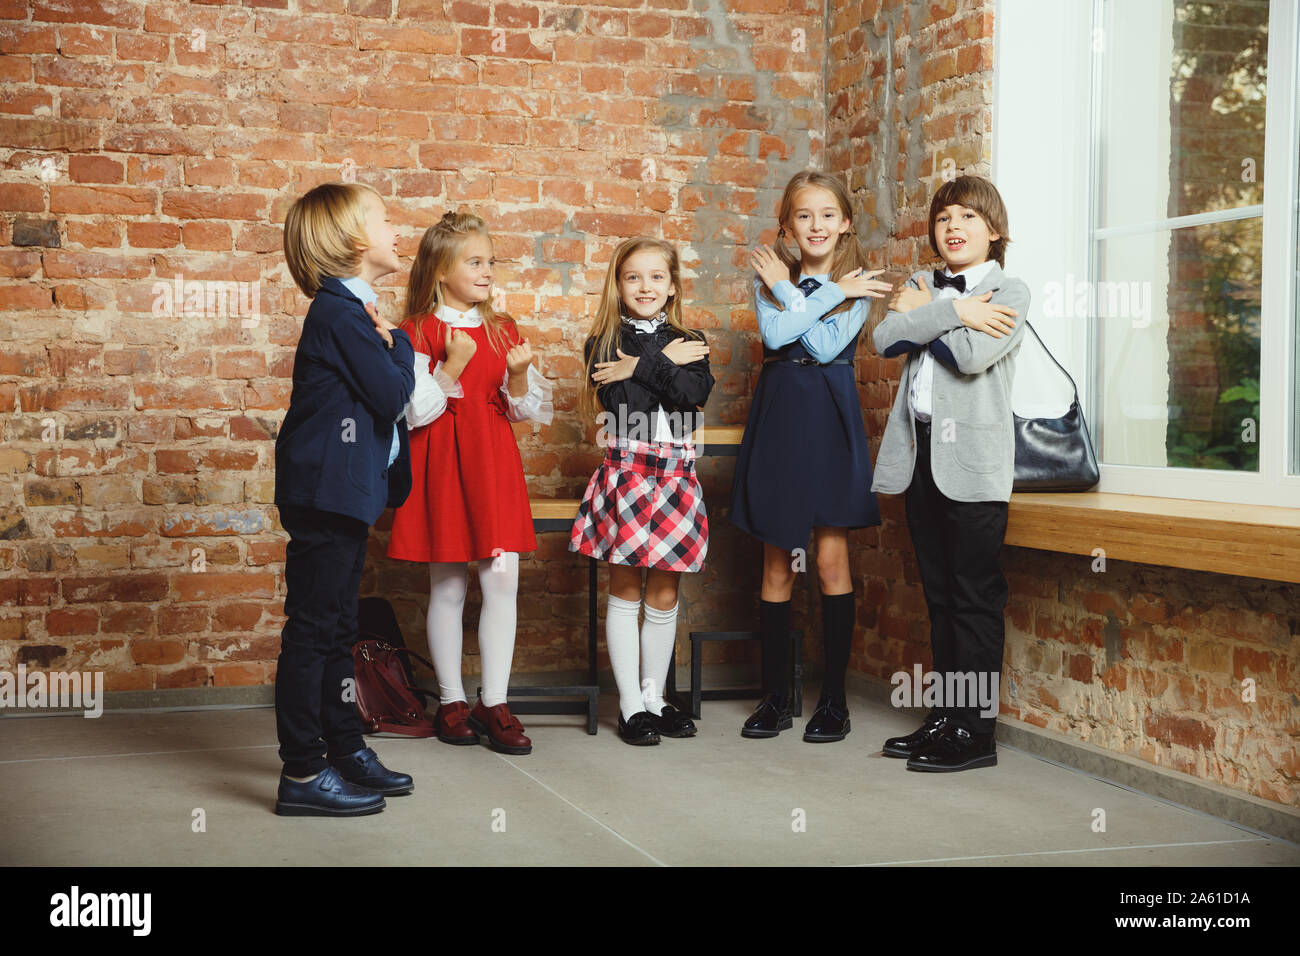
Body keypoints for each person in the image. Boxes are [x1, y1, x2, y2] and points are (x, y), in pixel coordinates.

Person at [871, 174, 1028, 772]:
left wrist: (935, 316)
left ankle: (975, 733)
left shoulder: (1012, 291)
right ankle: (944, 717)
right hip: (921, 460)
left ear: (993, 231)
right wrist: (955, 309)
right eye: (942, 219)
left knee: (974, 597)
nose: (952, 227)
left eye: (966, 217)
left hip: (975, 465)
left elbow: (969, 356)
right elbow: (886, 337)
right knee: (938, 596)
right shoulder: (922, 283)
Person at [731, 171, 892, 742]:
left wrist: (820, 293)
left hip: (829, 415)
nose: (816, 225)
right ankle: (775, 697)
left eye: (828, 215)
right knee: (778, 562)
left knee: (828, 560)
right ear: (787, 226)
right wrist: (822, 295)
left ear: (845, 223)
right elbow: (778, 340)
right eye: (804, 216)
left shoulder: (859, 283)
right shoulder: (770, 278)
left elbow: (824, 346)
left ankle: (835, 702)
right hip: (781, 417)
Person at [386, 211, 553, 755]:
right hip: (440, 465)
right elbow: (413, 413)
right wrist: (451, 365)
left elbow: (529, 411)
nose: (486, 272)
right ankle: (452, 701)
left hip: (492, 462)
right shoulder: (414, 331)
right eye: (474, 262)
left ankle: (495, 701)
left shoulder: (503, 329)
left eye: (490, 262)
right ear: (440, 270)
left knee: (502, 581)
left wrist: (522, 375)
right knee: (450, 585)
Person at [273, 182, 415, 816]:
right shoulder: (339, 312)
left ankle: (344, 746)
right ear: (356, 241)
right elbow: (391, 396)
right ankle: (302, 774)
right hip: (325, 495)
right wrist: (404, 343)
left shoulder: (352, 313)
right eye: (385, 220)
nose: (396, 230)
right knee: (313, 633)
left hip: (342, 496)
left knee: (336, 632)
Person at [570, 238, 715, 745]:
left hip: (676, 474)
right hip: (628, 473)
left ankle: (655, 697)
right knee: (627, 587)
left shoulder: (690, 339)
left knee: (665, 590)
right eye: (633, 277)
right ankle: (631, 706)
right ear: (617, 285)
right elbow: (623, 399)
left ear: (673, 287)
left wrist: (641, 364)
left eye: (657, 277)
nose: (645, 286)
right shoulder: (604, 343)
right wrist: (658, 362)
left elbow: (692, 396)